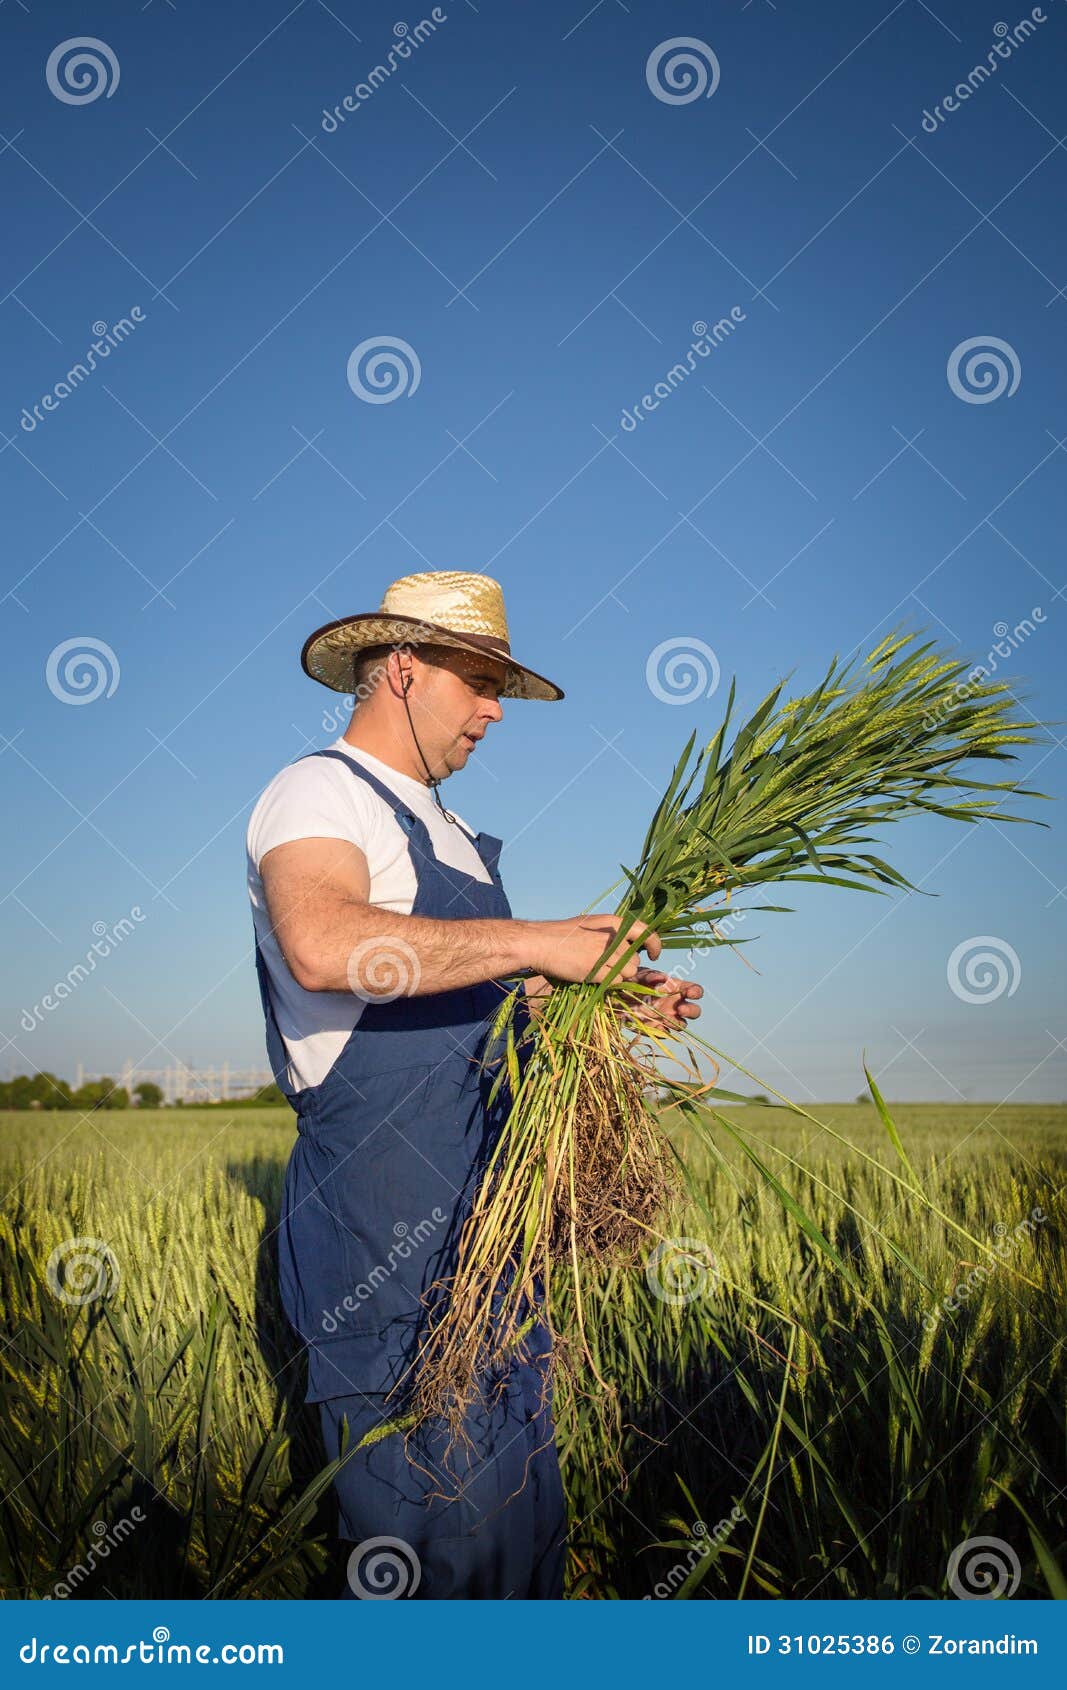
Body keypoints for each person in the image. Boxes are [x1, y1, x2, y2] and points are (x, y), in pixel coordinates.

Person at [246, 570, 702, 1599]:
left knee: (517, 1543)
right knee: (428, 1554)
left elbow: (475, 1001)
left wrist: (591, 997)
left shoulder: (450, 832)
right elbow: (322, 944)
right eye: (479, 680)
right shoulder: (316, 791)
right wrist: (541, 940)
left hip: (492, 1248)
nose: (494, 709)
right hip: (386, 1256)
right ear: (401, 670)